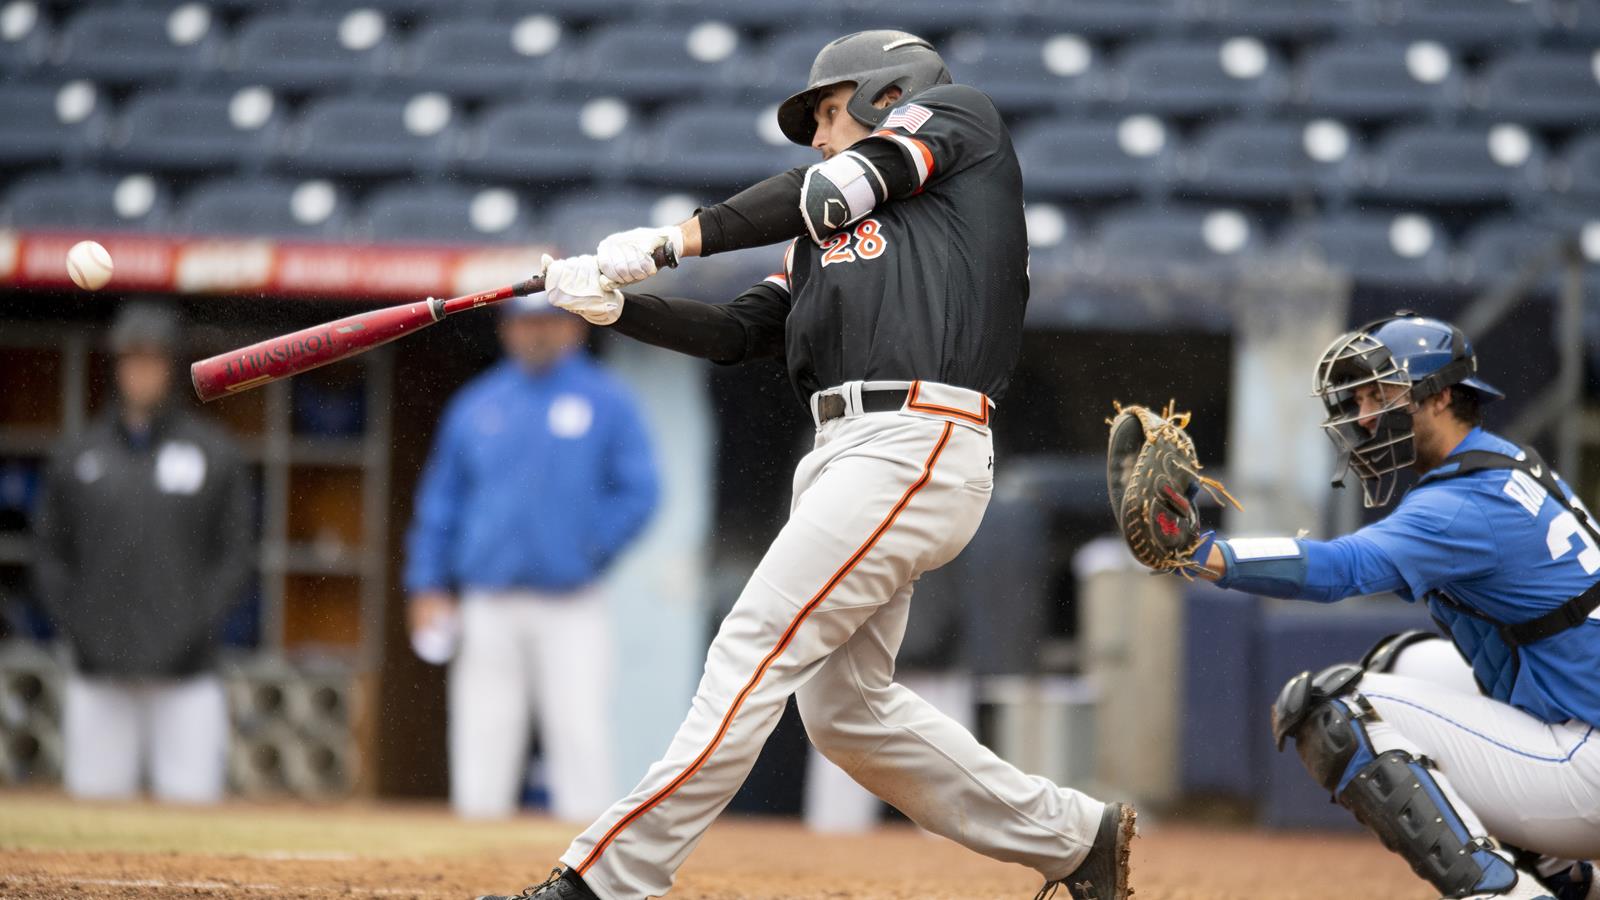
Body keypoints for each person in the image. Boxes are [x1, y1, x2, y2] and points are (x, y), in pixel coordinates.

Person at [476, 30, 1134, 900]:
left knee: (748, 650)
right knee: (847, 714)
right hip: (843, 454)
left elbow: (827, 187)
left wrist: (674, 241)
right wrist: (614, 309)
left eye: (827, 113)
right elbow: (741, 331)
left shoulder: (958, 123)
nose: (820, 135)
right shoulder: (824, 241)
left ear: (885, 93)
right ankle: (1073, 836)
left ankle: (606, 880)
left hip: (916, 436)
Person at [1187, 314, 1600, 900]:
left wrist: (1202, 551)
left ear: (1443, 398)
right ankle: (1571, 880)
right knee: (1401, 661)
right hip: (1580, 716)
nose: (1364, 417)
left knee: (1337, 711)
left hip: (1590, 758)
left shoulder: (1461, 502)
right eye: (1357, 399)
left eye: (1381, 395)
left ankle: (1511, 896)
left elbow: (1340, 569)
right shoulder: (1502, 461)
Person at [405, 291, 659, 822]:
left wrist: (591, 547)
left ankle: (585, 865)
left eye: (549, 322)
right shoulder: (477, 404)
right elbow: (440, 502)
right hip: (488, 597)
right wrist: (427, 582)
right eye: (526, 324)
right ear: (506, 330)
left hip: (570, 600)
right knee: (483, 729)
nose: (537, 333)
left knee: (578, 729)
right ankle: (473, 856)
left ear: (574, 328)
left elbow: (640, 491)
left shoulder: (605, 399)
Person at [32, 301, 252, 804]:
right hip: (98, 670)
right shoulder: (78, 455)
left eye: (154, 361)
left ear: (174, 368)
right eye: (132, 360)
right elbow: (49, 556)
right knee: (93, 814)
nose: (142, 373)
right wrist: (83, 629)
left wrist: (192, 626)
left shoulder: (213, 453)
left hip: (187, 673)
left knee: (192, 810)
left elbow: (236, 557)